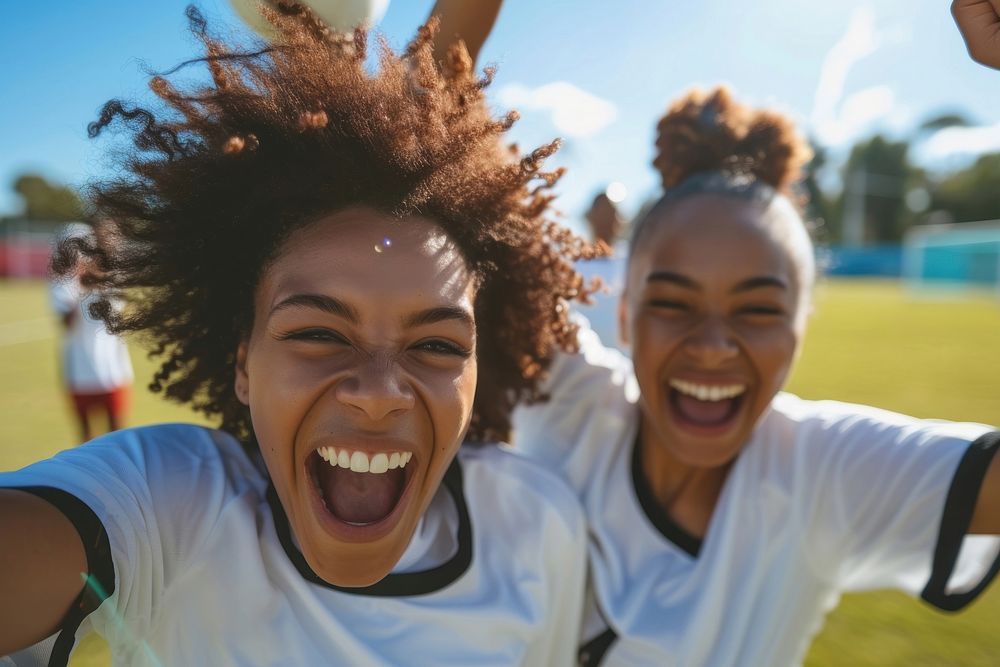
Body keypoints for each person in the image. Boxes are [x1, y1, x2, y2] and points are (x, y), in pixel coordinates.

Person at [0, 4, 598, 665]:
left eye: (437, 345)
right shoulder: (171, 508)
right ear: (243, 365)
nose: (378, 393)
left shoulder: (540, 527)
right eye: (318, 331)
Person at [513, 84, 1000, 666]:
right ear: (622, 314)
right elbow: (419, 162)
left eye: (759, 309)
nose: (714, 348)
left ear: (803, 322)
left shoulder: (820, 473)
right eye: (672, 302)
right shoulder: (573, 399)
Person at [49, 222, 134, 441]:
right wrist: (79, 287)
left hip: (113, 368)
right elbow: (66, 322)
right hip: (79, 370)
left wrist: (96, 280)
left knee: (117, 434)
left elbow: (116, 315)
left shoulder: (110, 277)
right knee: (86, 438)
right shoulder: (63, 283)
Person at [575, 190, 629, 351]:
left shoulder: (632, 259)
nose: (606, 219)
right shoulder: (573, 263)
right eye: (601, 212)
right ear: (590, 217)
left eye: (611, 213)